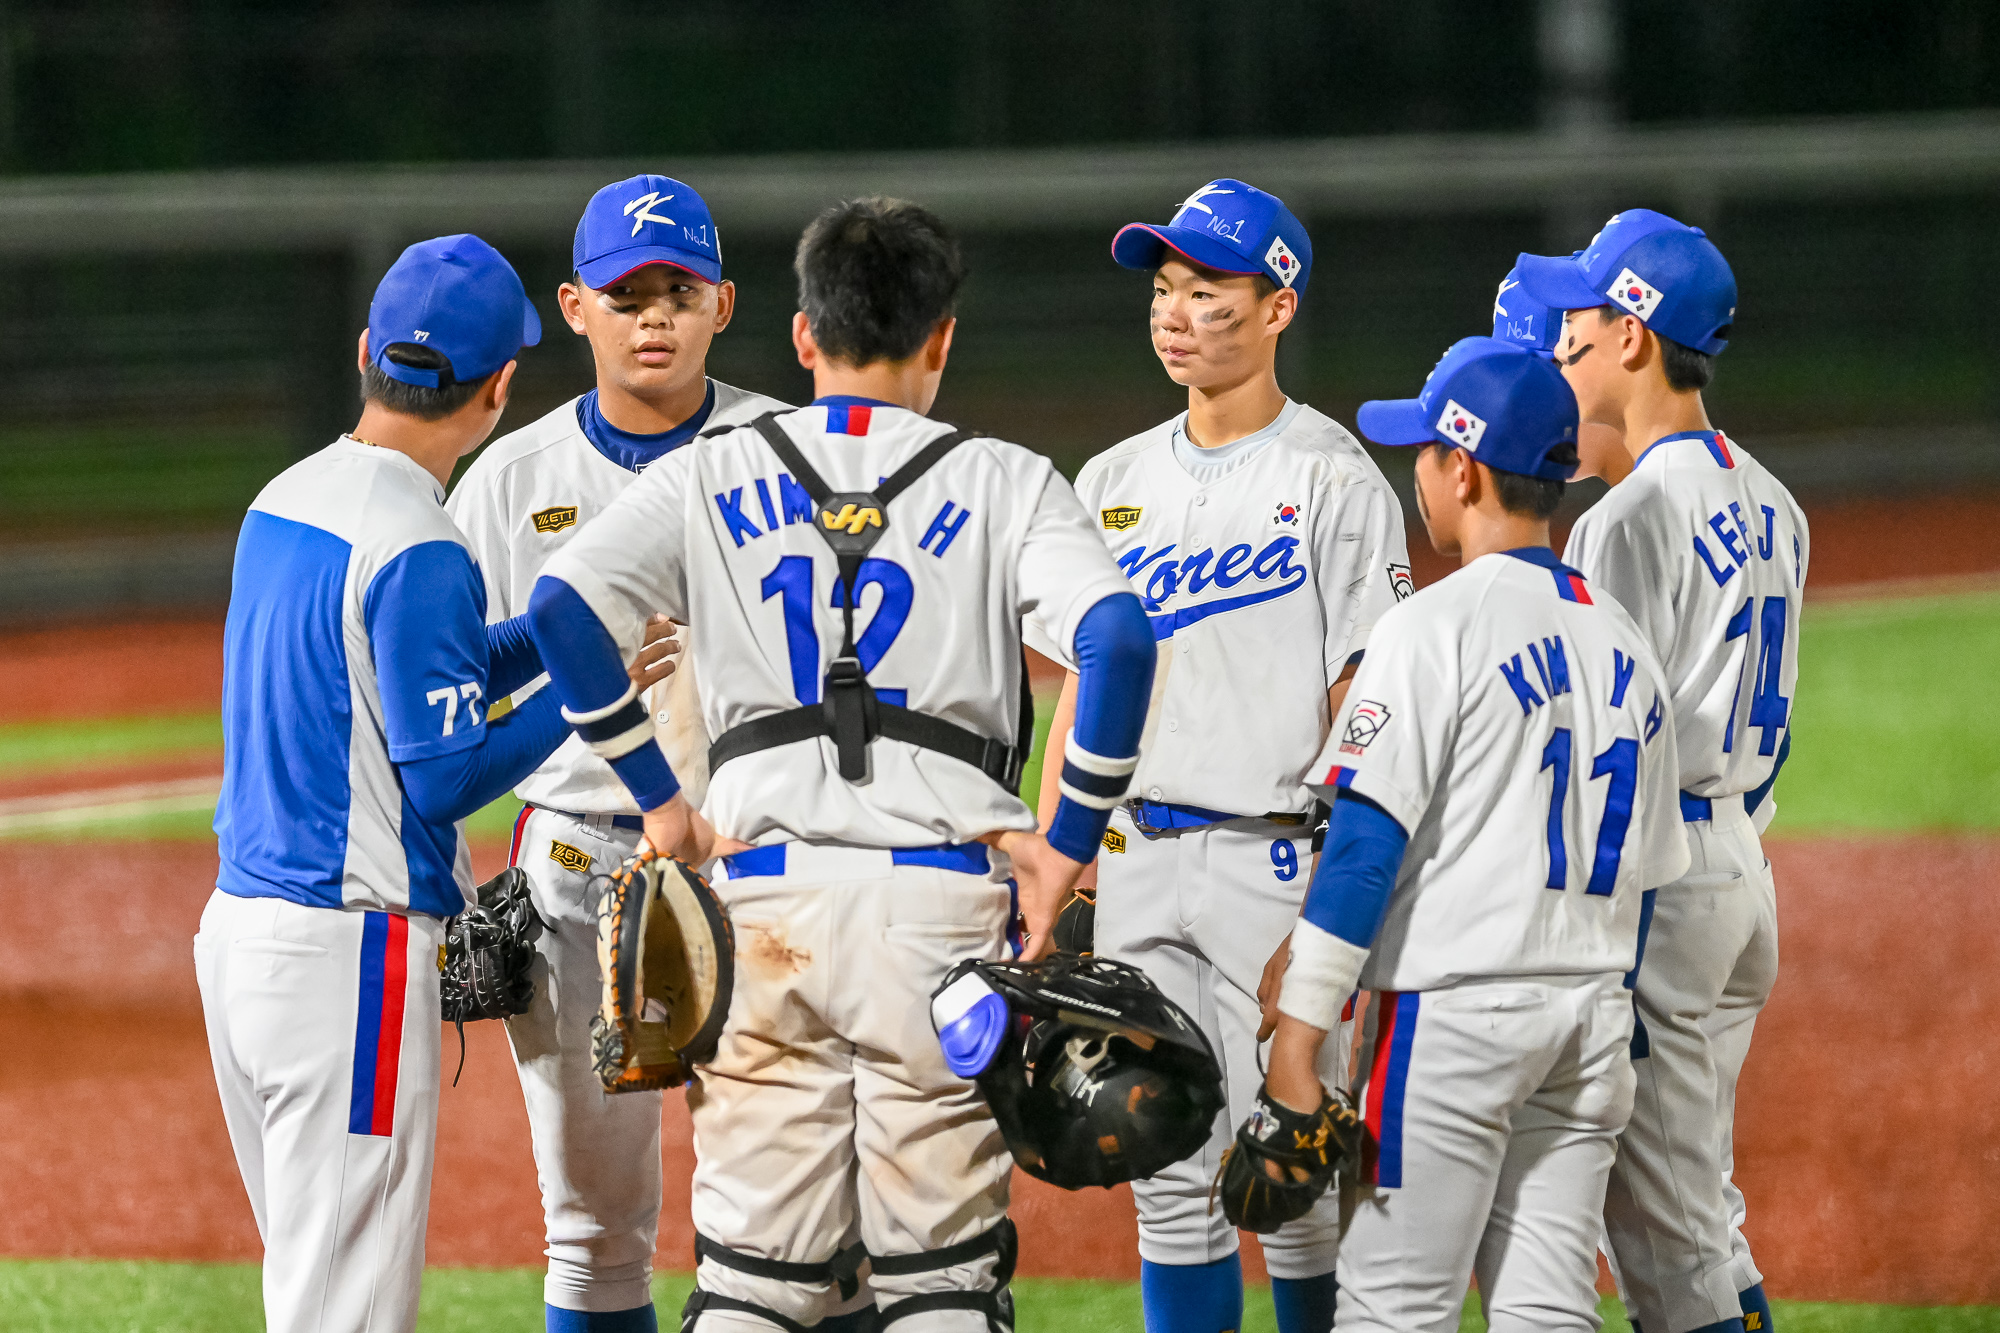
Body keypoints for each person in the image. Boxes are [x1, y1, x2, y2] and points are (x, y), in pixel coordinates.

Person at [525, 196, 1156, 1331]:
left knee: (753, 1286)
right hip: (939, 913)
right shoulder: (1006, 479)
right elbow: (1116, 641)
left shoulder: (707, 474)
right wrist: (1062, 854)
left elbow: (561, 610)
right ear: (941, 338)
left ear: (803, 336)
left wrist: (663, 809)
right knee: (940, 1281)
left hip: (761, 902)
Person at [1030, 178, 1409, 1333]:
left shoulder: (1332, 478)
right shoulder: (1109, 482)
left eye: (1206, 288)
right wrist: (1059, 862)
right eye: (1162, 288)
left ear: (1278, 305)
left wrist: (1334, 914)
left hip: (1274, 862)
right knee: (1162, 1181)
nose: (1174, 311)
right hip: (1140, 855)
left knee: (1290, 1175)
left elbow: (1366, 708)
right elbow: (1079, 697)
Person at [1259, 336, 1690, 1332]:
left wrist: (1297, 1037)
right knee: (1546, 1310)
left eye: (1418, 449)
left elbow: (1364, 845)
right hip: (1587, 1023)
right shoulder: (1623, 639)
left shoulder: (1430, 629)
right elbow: (1649, 877)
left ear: (1459, 466)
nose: (1410, 470)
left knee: (1389, 1308)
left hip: (1453, 1020)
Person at [195, 235, 567, 1333]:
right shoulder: (419, 541)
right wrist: (586, 699)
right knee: (344, 1313)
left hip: (239, 943)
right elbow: (446, 772)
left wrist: (552, 634)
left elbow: (410, 670)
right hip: (345, 963)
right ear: (499, 387)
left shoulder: (288, 496)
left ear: (366, 353)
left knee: (311, 1290)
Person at [447, 174, 797, 1333]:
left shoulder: (783, 453)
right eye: (627, 292)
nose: (654, 315)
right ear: (576, 307)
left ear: (724, 305)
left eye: (678, 291)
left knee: (791, 1212)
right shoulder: (509, 482)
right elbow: (450, 700)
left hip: (760, 861)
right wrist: (450, 891)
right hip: (573, 868)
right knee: (592, 1230)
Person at [1517, 208, 1807, 1333]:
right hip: (1741, 863)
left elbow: (1608, 741)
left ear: (1630, 334)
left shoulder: (1625, 516)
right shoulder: (1769, 496)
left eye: (1583, 310)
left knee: (1663, 1233)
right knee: (1698, 1208)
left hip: (1665, 879)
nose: (1568, 330)